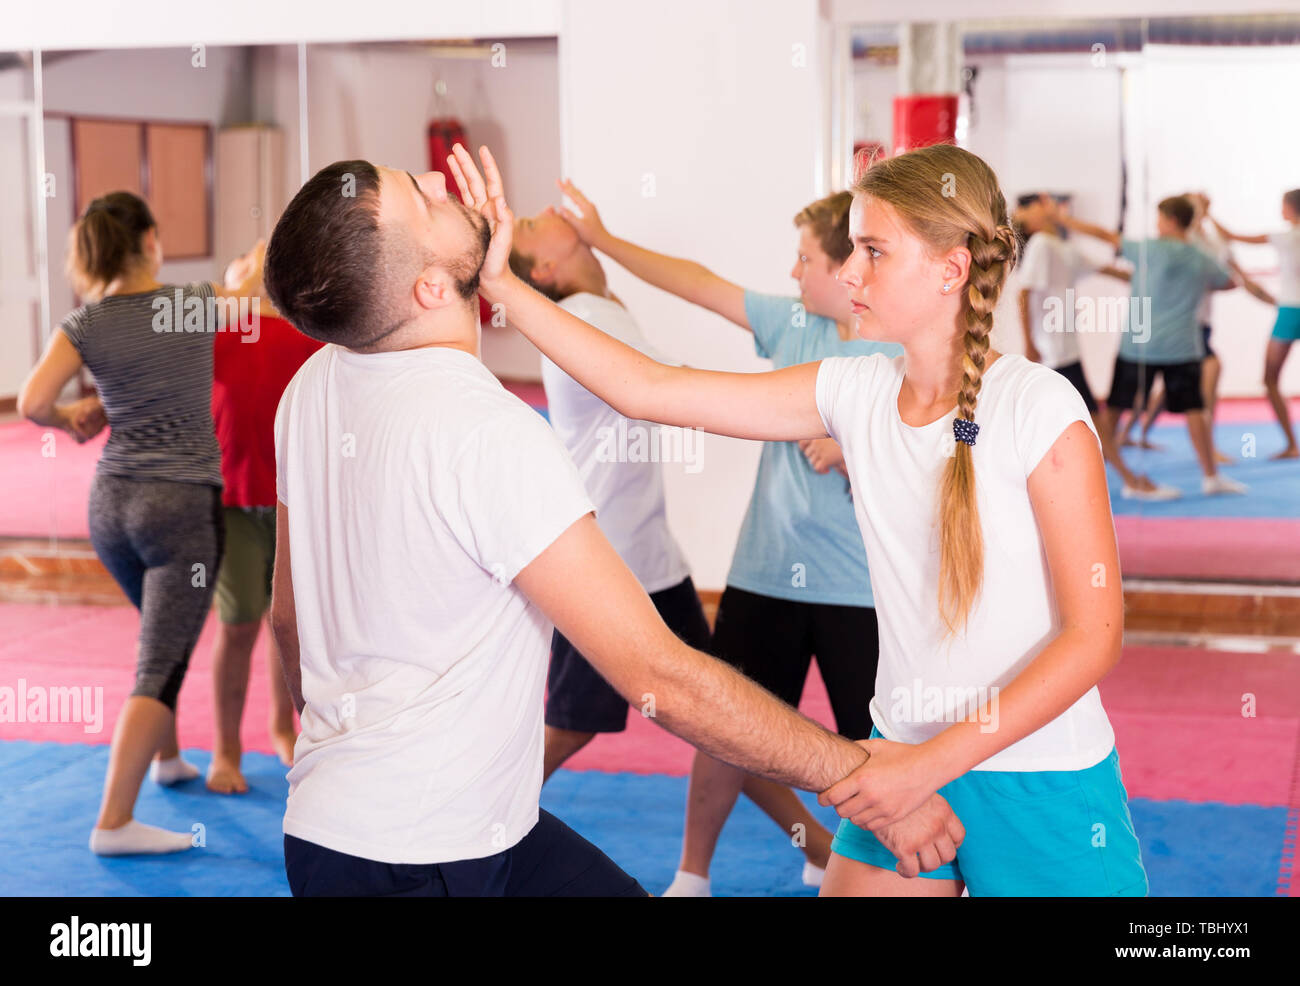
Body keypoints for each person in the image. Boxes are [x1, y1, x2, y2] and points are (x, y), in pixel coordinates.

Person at [457, 140, 1148, 896]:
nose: (848, 273)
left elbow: (1095, 636)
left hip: (1038, 777)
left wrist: (929, 764)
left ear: (952, 269)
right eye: (852, 248)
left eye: (873, 251)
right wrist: (504, 288)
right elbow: (651, 388)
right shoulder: (852, 391)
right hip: (903, 756)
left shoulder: (1038, 408)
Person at [262, 158, 964, 897]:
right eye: (420, 196)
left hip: (392, 828)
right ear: (431, 289)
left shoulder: (313, 386)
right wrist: (862, 778)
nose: (441, 182)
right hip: (422, 855)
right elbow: (659, 675)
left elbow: (289, 618)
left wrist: (350, 748)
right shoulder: (486, 431)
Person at [551, 181, 900, 896]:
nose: (794, 273)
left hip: (858, 590)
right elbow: (700, 286)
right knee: (729, 729)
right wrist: (606, 238)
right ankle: (692, 876)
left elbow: (954, 444)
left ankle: (867, 869)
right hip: (763, 575)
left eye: (805, 258)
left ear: (845, 270)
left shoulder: (897, 353)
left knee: (870, 749)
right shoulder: (791, 323)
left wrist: (859, 444)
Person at [18, 192, 262, 855]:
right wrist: (265, 250)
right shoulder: (187, 303)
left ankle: (167, 758)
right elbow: (249, 289)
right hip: (179, 507)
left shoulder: (86, 321)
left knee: (162, 636)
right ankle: (114, 822)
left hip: (110, 508)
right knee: (162, 655)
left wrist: (73, 418)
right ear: (151, 241)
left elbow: (35, 400)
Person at [507, 206, 712, 783]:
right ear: (546, 267)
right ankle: (466, 833)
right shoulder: (583, 313)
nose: (541, 211)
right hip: (606, 564)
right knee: (573, 725)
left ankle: (817, 844)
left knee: (724, 715)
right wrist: (801, 410)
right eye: (528, 224)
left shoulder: (596, 307)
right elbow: (674, 386)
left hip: (643, 554)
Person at [206, 245, 323, 794]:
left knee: (289, 623)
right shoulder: (216, 338)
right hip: (232, 505)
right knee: (236, 626)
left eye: (261, 258)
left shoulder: (306, 340)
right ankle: (226, 746)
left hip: (292, 504)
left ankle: (285, 726)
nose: (250, 261)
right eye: (241, 260)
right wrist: (237, 291)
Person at [1062, 196, 1268, 497]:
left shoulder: (1149, 249)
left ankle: (1087, 475)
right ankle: (1211, 477)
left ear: (1171, 221)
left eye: (1160, 219)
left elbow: (1104, 235)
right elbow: (1229, 282)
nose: (1157, 225)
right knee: (1194, 410)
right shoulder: (1201, 257)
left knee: (1115, 410)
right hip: (1181, 346)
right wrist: (1196, 285)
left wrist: (1063, 219)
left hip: (1139, 345)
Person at [1012, 194, 1167, 497]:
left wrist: (1160, 277)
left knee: (1082, 419)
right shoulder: (1042, 246)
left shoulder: (1063, 248)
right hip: (1053, 352)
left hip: (1065, 350)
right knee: (1090, 419)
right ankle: (1130, 481)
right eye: (1035, 207)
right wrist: (1029, 343)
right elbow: (1024, 295)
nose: (1045, 207)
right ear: (1028, 222)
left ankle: (1119, 480)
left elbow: (1113, 271)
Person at [1206, 188, 1300, 459]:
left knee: (1270, 379)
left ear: (1291, 208)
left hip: (1291, 311)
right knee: (1270, 378)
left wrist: (1207, 211)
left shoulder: (1284, 237)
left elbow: (1231, 235)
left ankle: (1293, 444)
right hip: (1287, 308)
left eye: (1282, 206)